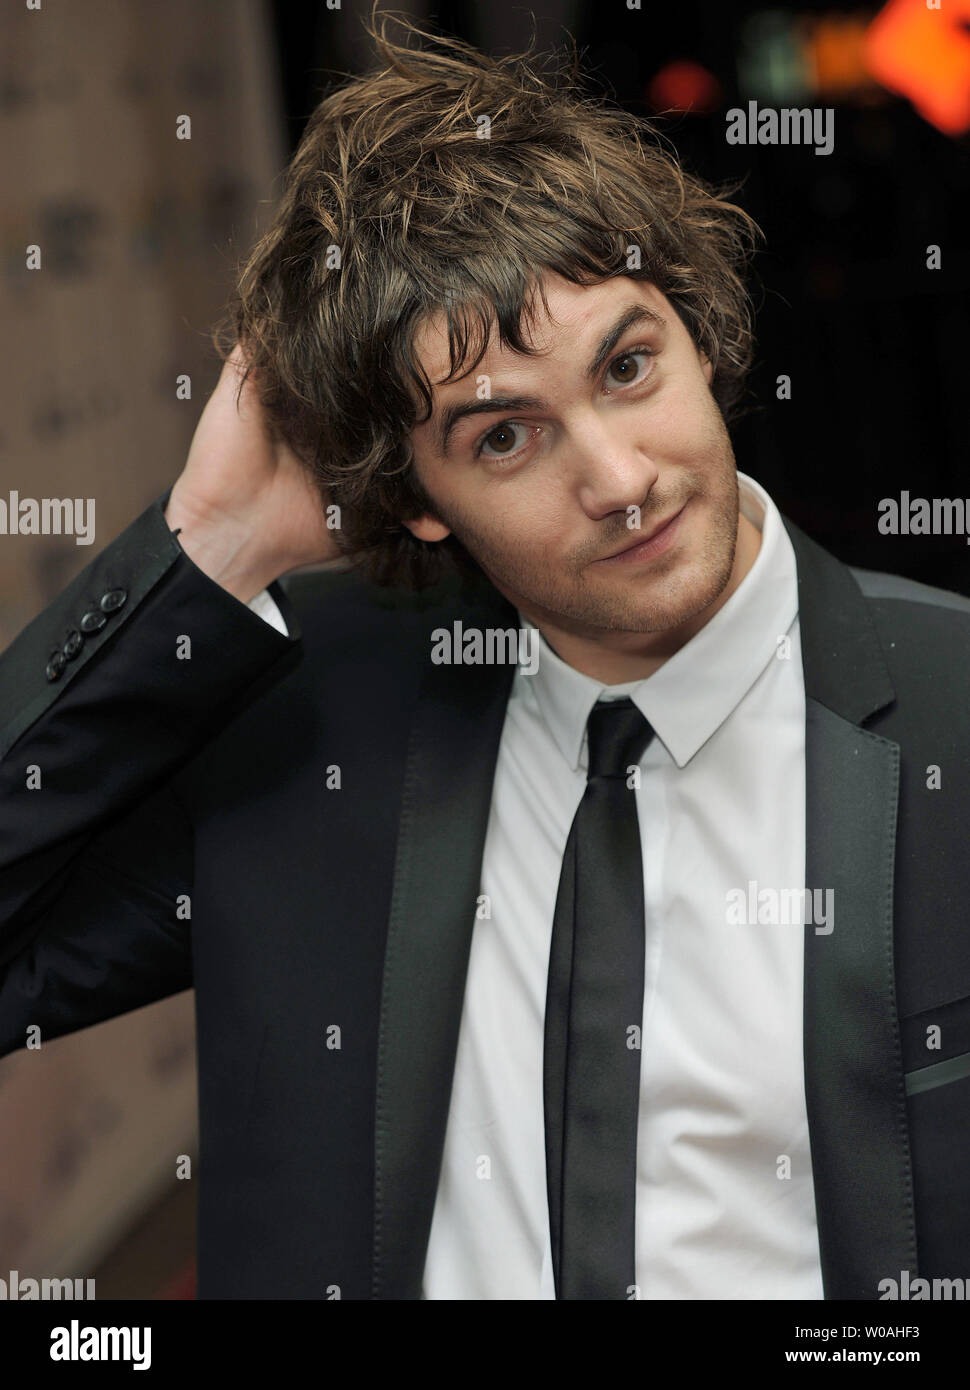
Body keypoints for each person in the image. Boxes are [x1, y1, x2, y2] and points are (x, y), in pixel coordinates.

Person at [1, 15, 968, 1301]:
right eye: (503, 439)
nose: (619, 480)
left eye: (627, 365)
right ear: (413, 496)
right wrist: (210, 546)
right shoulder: (309, 724)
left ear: (701, 331)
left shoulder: (952, 707)